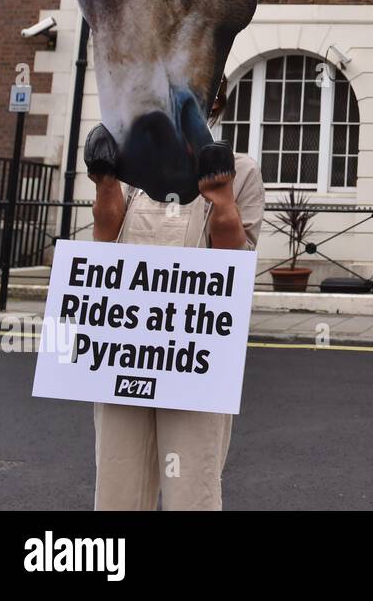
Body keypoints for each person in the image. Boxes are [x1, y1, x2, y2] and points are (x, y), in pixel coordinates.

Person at [87, 79, 264, 511]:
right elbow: (104, 242)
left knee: (192, 486)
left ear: (213, 102)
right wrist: (106, 184)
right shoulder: (132, 166)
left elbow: (231, 263)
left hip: (195, 357)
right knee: (117, 483)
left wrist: (222, 200)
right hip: (124, 350)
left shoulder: (241, 168)